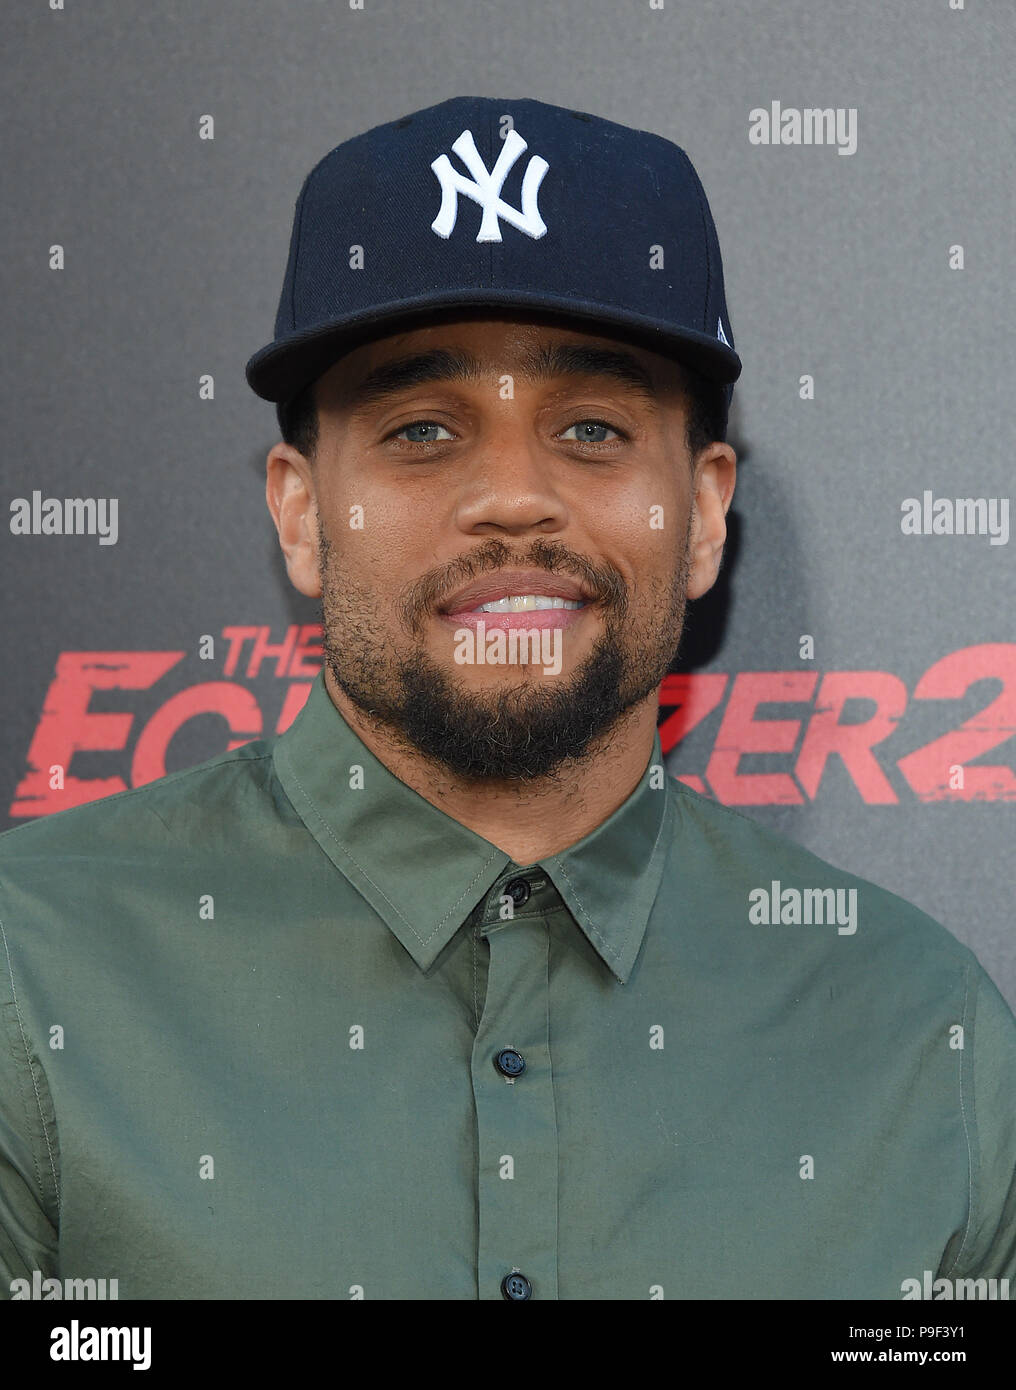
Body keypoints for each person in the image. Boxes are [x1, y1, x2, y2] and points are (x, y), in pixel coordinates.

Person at [2, 95, 1013, 1302]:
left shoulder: (918, 1031)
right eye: (423, 429)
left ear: (700, 515)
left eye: (589, 427)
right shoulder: (33, 975)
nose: (511, 496)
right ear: (298, 512)